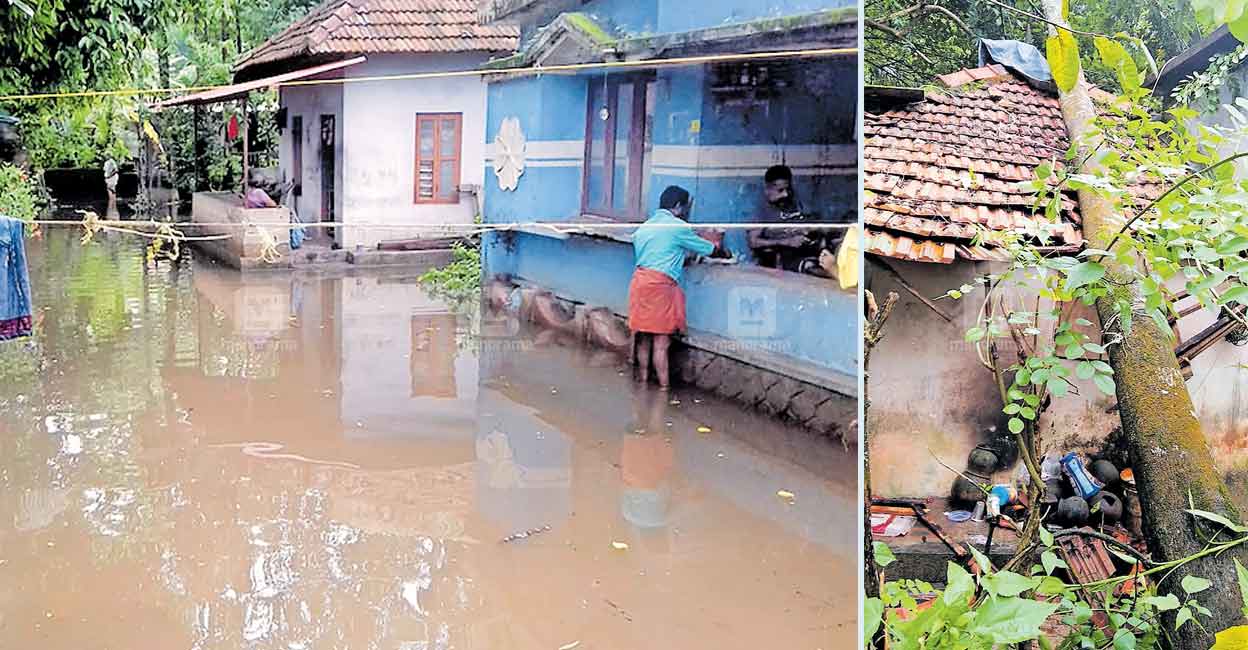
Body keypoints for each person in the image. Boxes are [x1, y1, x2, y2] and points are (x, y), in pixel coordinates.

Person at [628, 186, 720, 390]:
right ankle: (663, 389)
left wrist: (680, 259)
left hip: (640, 282)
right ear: (678, 206)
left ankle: (643, 382)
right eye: (686, 208)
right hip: (660, 286)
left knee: (643, 336)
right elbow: (708, 249)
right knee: (662, 342)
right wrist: (720, 249)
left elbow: (658, 255)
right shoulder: (677, 226)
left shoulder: (646, 226)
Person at [748, 165, 821, 272]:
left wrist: (809, 231)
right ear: (768, 189)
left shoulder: (796, 204)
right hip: (784, 261)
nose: (786, 194)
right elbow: (753, 241)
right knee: (810, 267)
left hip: (809, 253)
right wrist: (786, 242)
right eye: (780, 190)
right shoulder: (761, 212)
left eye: (788, 189)